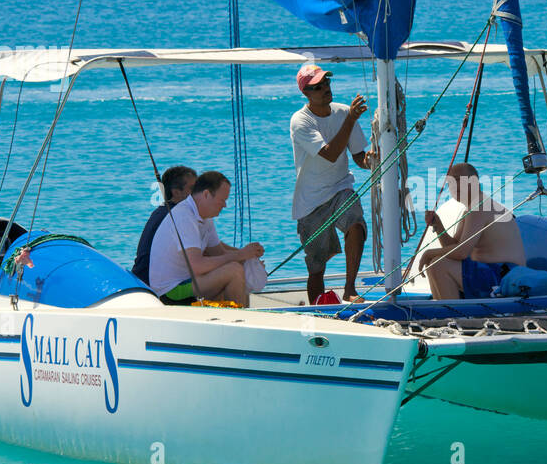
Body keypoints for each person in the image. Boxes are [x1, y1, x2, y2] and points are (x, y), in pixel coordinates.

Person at [289, 63, 376, 304]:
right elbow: (330, 153)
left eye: (326, 82)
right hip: (311, 201)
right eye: (318, 86)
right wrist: (351, 119)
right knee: (316, 267)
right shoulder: (300, 121)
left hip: (340, 187)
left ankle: (350, 288)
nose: (325, 88)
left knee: (355, 223)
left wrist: (371, 161)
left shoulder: (343, 112)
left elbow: (358, 156)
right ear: (306, 93)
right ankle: (318, 310)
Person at [148, 171, 264, 306]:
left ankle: (236, 313)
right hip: (171, 290)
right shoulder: (185, 216)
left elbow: (219, 253)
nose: (225, 205)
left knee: (238, 267)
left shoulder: (205, 217)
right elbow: (197, 266)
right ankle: (240, 316)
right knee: (234, 271)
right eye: (222, 200)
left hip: (191, 280)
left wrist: (249, 258)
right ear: (206, 194)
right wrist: (240, 255)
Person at [420, 162, 526, 300]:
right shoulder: (472, 209)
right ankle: (444, 307)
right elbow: (453, 247)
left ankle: (452, 311)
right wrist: (438, 225)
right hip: (494, 272)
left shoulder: (480, 206)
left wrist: (428, 253)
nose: (453, 186)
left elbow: (461, 252)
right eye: (450, 183)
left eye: (458, 180)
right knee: (434, 262)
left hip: (507, 277)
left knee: (438, 264)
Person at [131, 165, 197, 285]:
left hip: (140, 279)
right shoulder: (179, 216)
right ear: (176, 192)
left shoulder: (160, 211)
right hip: (154, 284)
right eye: (193, 188)